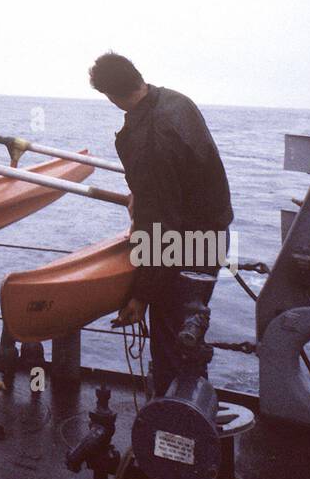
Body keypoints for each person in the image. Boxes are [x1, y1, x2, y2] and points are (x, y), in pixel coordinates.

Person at [89, 52, 233, 396]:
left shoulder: (148, 140)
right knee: (190, 334)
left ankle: (173, 432)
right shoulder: (177, 101)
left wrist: (141, 295)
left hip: (181, 248)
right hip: (213, 238)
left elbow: (161, 226)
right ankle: (196, 418)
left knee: (170, 346)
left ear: (111, 96)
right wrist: (143, 190)